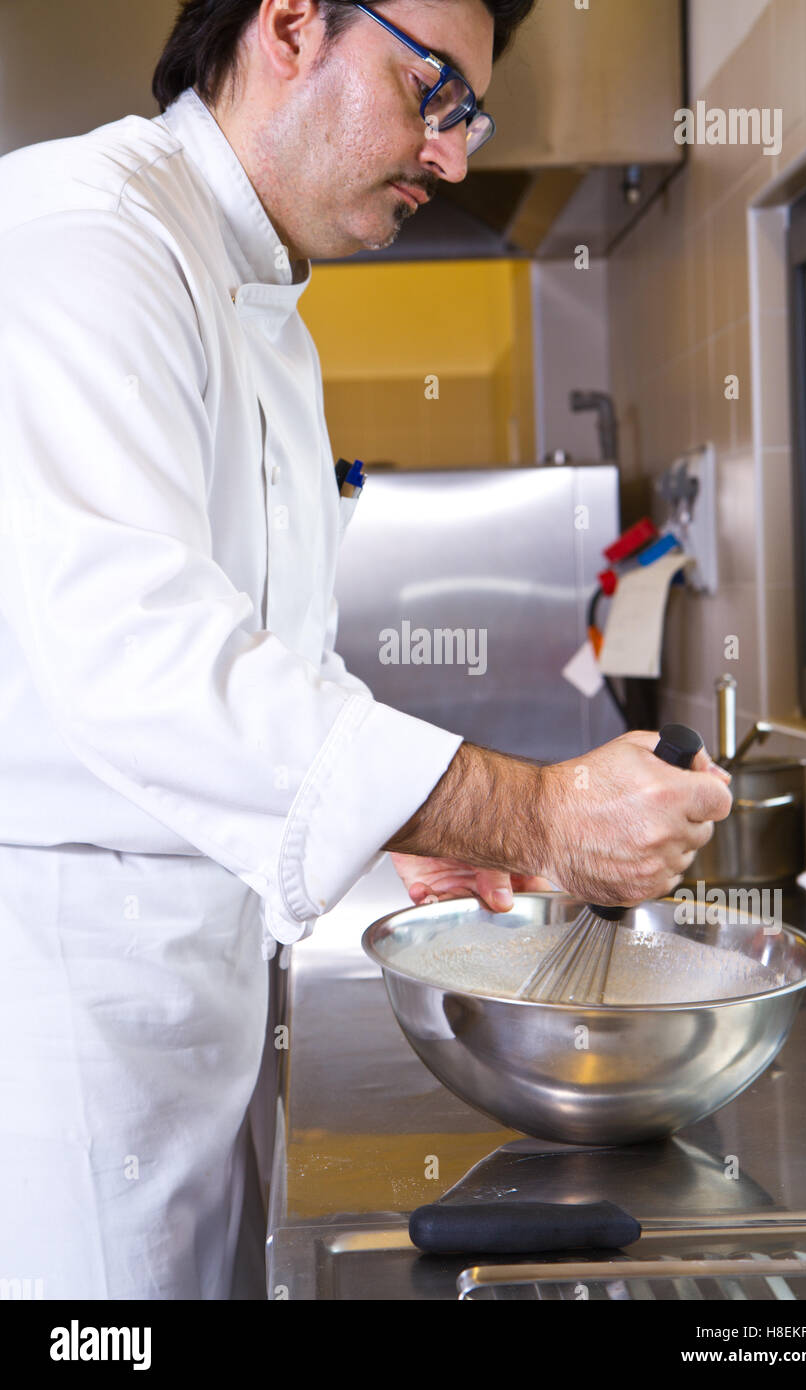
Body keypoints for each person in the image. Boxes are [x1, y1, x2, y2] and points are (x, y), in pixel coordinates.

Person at [0, 0, 732, 1300]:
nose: (451, 156)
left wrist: (389, 813)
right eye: (432, 91)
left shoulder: (266, 299)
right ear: (289, 23)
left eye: (470, 115)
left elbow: (267, 652)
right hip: (69, 1037)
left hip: (191, 1006)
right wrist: (535, 813)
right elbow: (138, 657)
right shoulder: (84, 238)